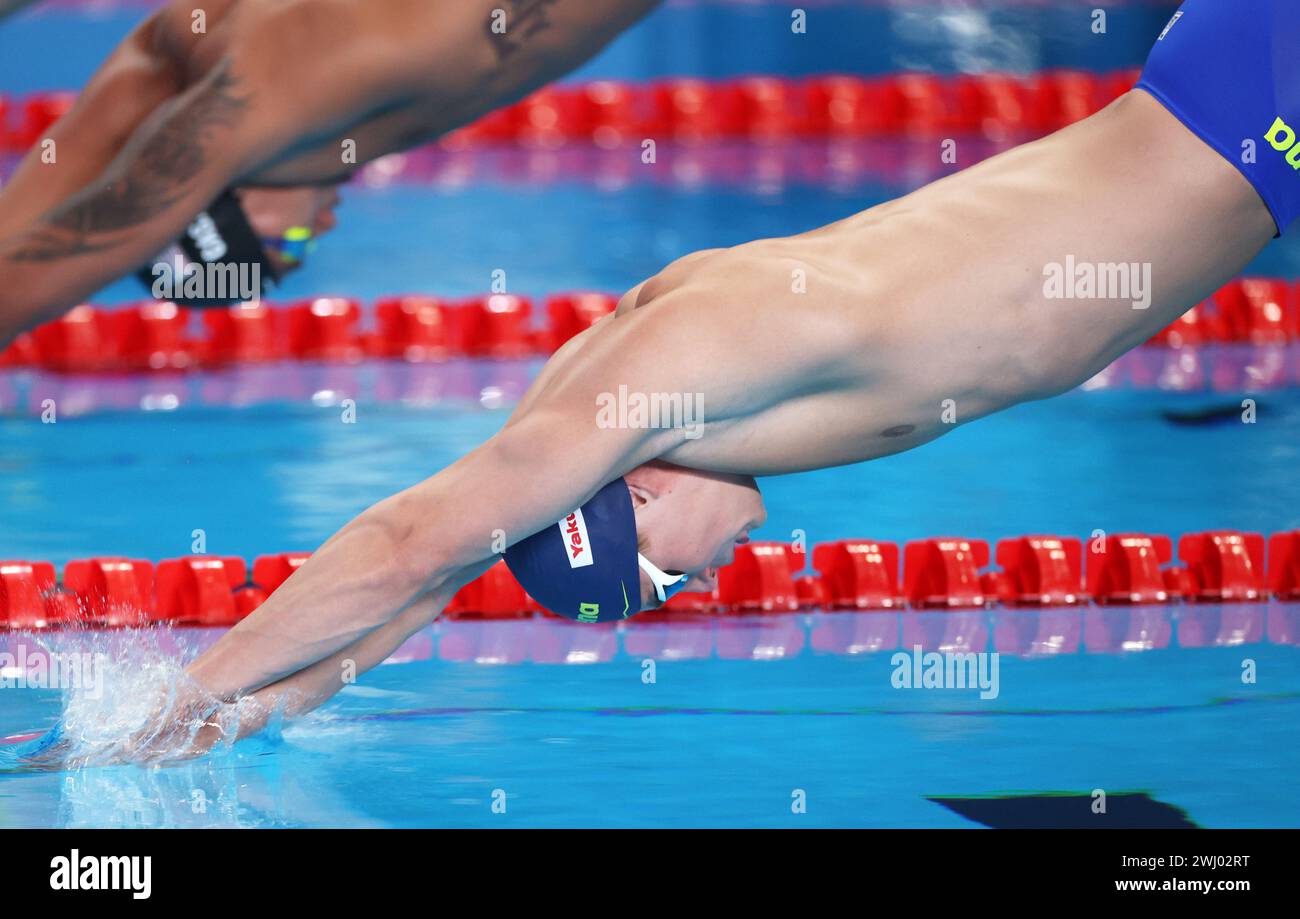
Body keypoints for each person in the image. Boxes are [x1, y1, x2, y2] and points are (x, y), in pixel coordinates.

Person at [21, 0, 1296, 764]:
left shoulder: (672, 376)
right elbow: (437, 583)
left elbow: (413, 540)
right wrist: (258, 715)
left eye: (665, 578)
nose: (704, 580)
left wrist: (176, 701)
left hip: (1247, 107)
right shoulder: (691, 410)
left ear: (628, 500)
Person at [0, 0, 663, 336]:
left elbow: (47, 273)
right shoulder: (194, 39)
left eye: (283, 246)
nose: (322, 228)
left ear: (209, 202)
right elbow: (56, 195)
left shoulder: (278, 97)